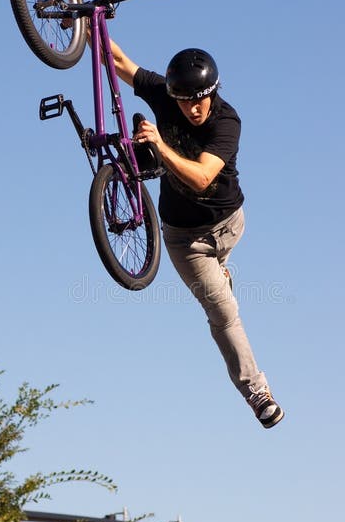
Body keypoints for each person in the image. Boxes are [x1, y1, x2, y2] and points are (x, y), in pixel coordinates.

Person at [103, 37, 284, 429]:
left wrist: (161, 146)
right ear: (173, 94)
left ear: (213, 92)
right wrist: (83, 19)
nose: (193, 108)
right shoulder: (165, 94)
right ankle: (257, 391)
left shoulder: (226, 121)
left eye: (200, 99)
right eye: (184, 101)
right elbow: (116, 59)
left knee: (221, 282)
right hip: (187, 241)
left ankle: (223, 273)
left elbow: (202, 177)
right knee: (223, 313)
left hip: (229, 223)